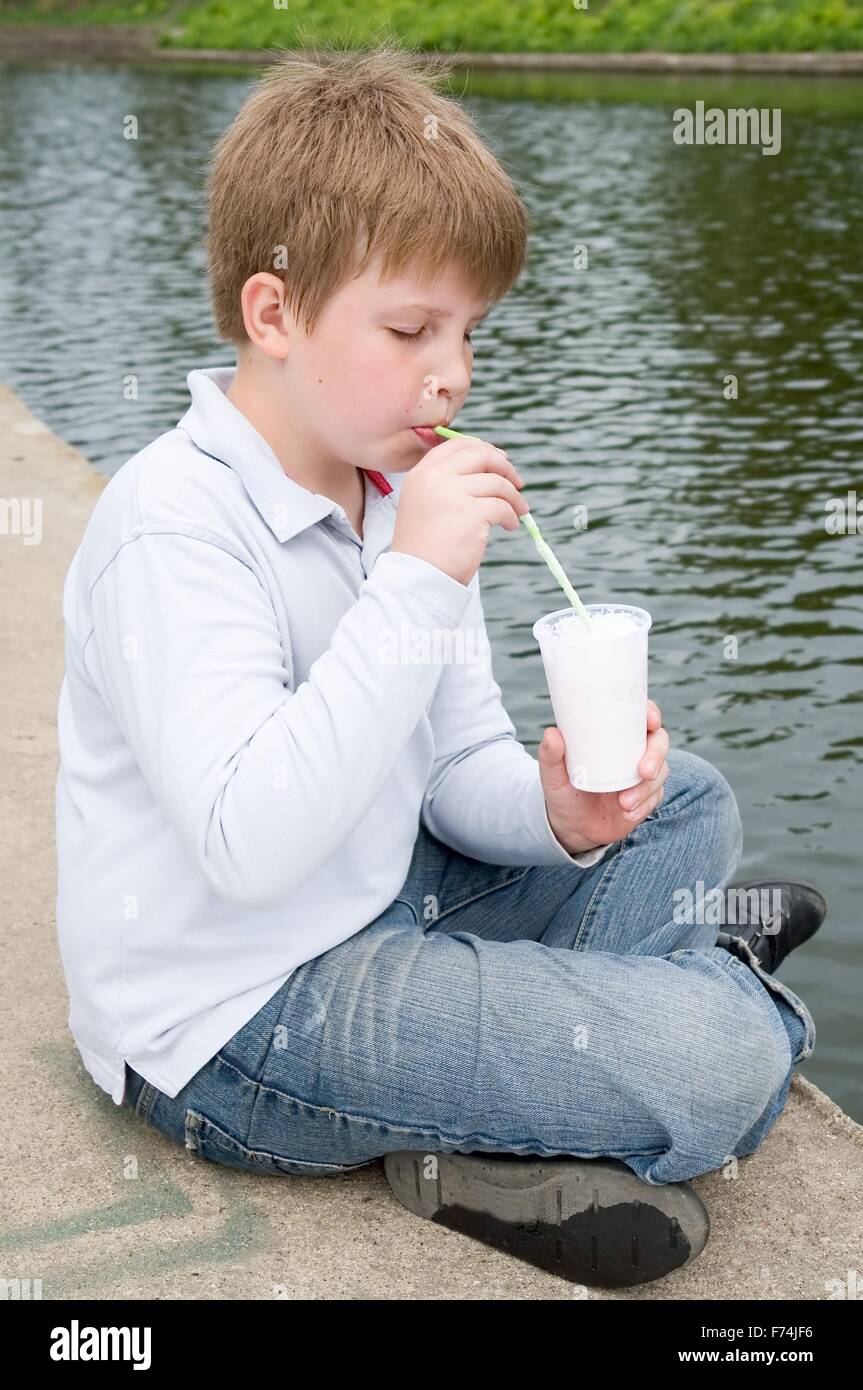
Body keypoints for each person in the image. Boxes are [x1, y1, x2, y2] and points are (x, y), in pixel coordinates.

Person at [55, 42, 823, 1289]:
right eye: (410, 327)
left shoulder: (385, 489)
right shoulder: (172, 525)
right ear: (275, 313)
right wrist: (413, 576)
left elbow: (454, 762)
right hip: (236, 1016)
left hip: (375, 901)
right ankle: (704, 1004)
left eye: (466, 331)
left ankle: (510, 1090)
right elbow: (246, 841)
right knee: (717, 1064)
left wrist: (561, 813)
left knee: (683, 804)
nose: (450, 372)